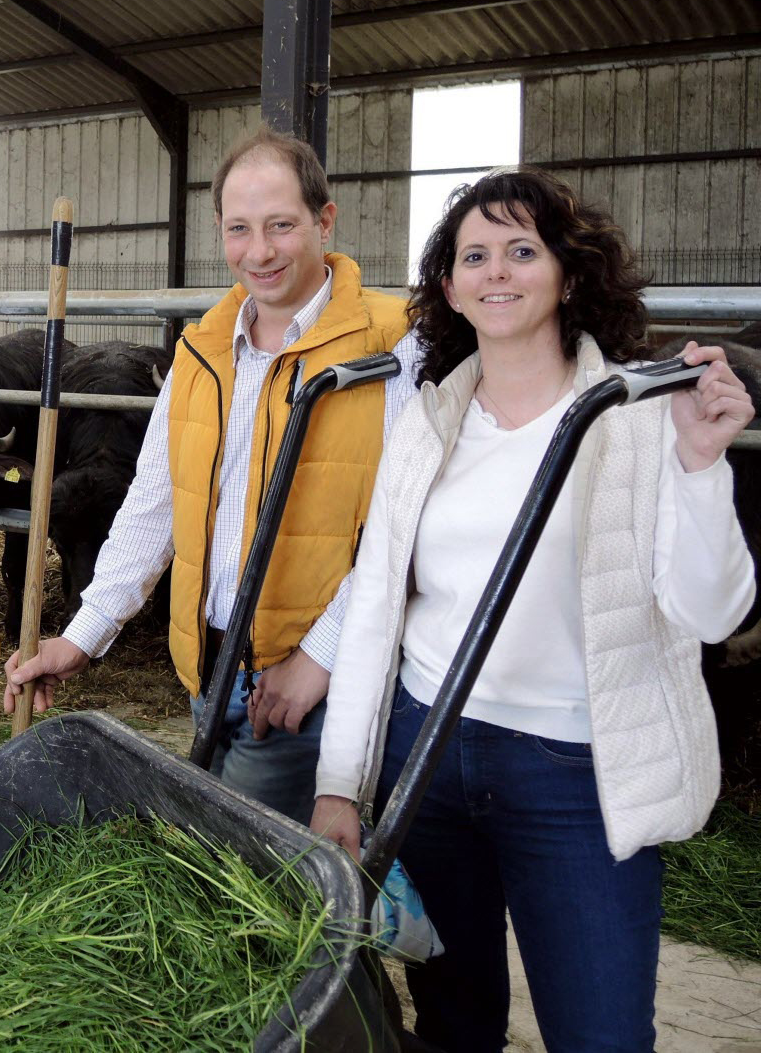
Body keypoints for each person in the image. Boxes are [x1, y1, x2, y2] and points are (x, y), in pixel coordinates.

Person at [311, 166, 756, 1053]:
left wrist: (704, 465)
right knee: (453, 1019)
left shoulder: (634, 412)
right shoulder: (427, 422)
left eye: (523, 250)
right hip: (424, 753)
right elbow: (374, 611)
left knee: (600, 1032)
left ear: (566, 271)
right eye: (474, 256)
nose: (497, 272)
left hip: (577, 774)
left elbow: (713, 613)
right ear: (449, 287)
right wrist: (337, 782)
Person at [4, 125, 418, 826]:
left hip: (316, 682)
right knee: (243, 874)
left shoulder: (395, 344)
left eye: (281, 225)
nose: (259, 251)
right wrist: (83, 634)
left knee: (263, 890)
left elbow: (411, 529)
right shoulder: (198, 352)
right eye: (239, 229)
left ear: (324, 221)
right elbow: (154, 504)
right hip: (207, 670)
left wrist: (318, 656)